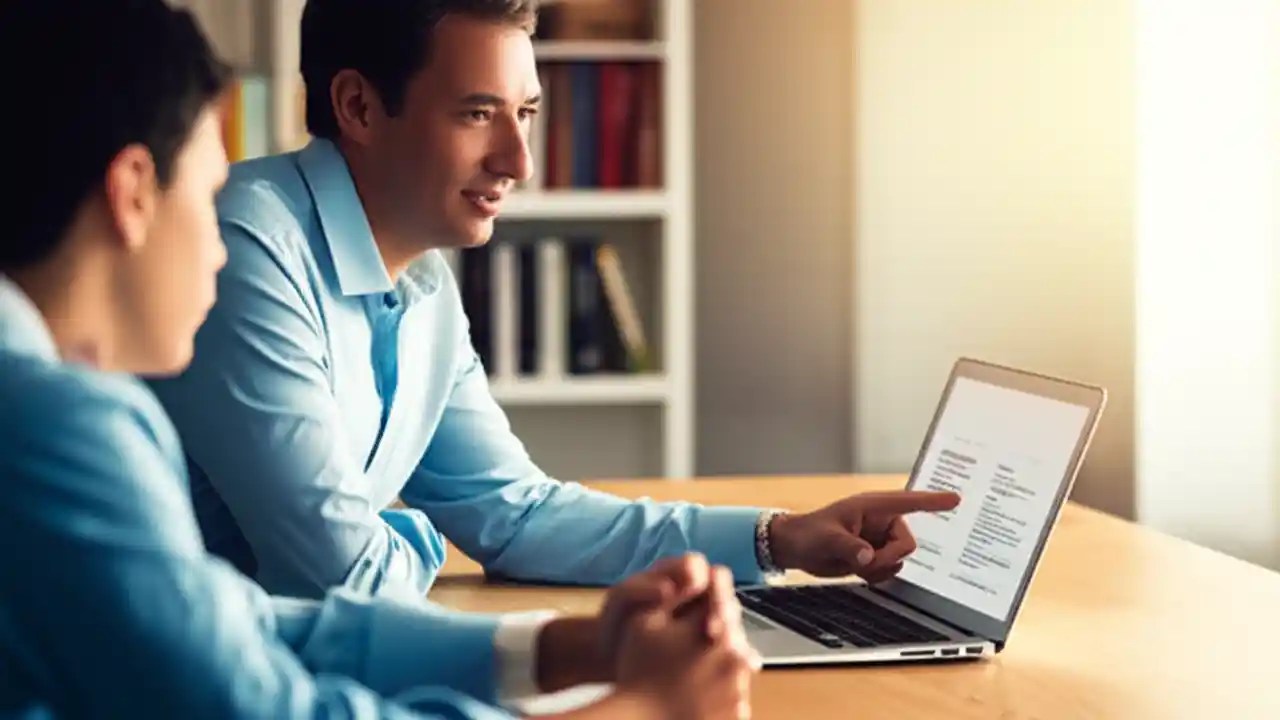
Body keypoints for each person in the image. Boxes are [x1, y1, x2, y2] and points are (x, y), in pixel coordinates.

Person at [0, 2, 757, 718]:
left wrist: (576, 646)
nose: (215, 242)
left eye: (525, 112)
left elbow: (243, 630)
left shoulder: (41, 399)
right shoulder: (56, 420)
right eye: (205, 195)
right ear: (133, 193)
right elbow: (266, 704)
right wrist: (644, 709)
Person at [148, 0, 961, 606]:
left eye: (527, 114)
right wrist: (424, 541)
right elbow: (337, 573)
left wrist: (779, 537)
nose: (519, 162)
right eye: (478, 114)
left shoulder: (420, 280)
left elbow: (516, 514)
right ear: (358, 107)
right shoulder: (246, 245)